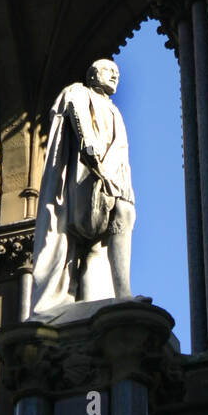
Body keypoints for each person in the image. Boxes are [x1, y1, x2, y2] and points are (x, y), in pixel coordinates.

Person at [30, 59, 135, 316]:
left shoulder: (114, 111)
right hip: (84, 176)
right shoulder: (78, 91)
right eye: (109, 71)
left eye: (118, 74)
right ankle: (121, 295)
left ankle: (111, 296)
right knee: (100, 228)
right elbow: (76, 112)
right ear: (92, 75)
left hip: (115, 175)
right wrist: (87, 140)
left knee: (118, 221)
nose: (115, 76)